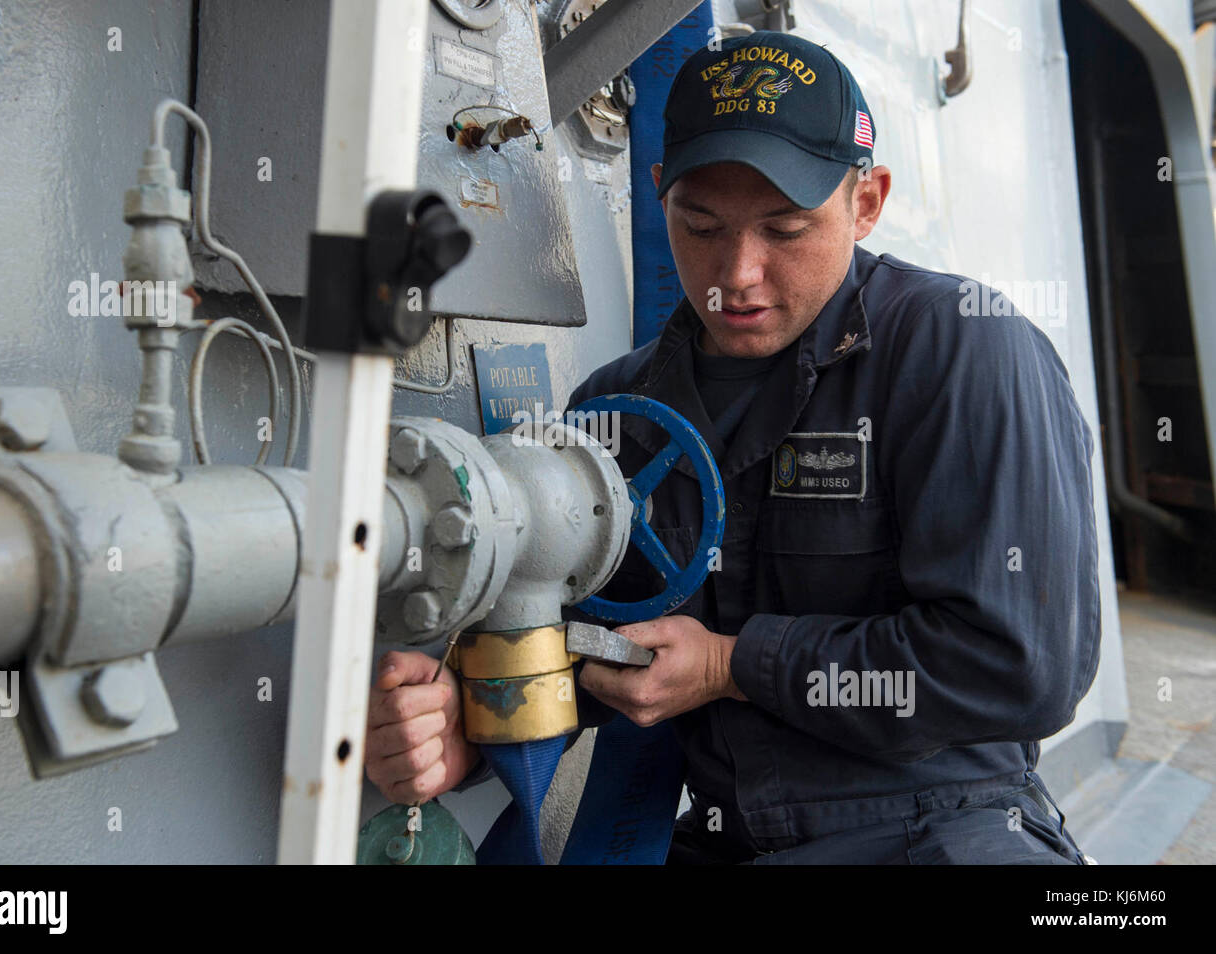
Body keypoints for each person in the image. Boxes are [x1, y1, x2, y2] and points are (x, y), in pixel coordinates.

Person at [365, 30, 1101, 865]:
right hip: (725, 837)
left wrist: (732, 666)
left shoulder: (962, 351)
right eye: (701, 224)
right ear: (658, 195)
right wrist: (465, 727)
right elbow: (581, 647)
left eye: (786, 229)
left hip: (946, 827)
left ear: (867, 202)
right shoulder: (614, 412)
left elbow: (1020, 666)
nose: (738, 273)